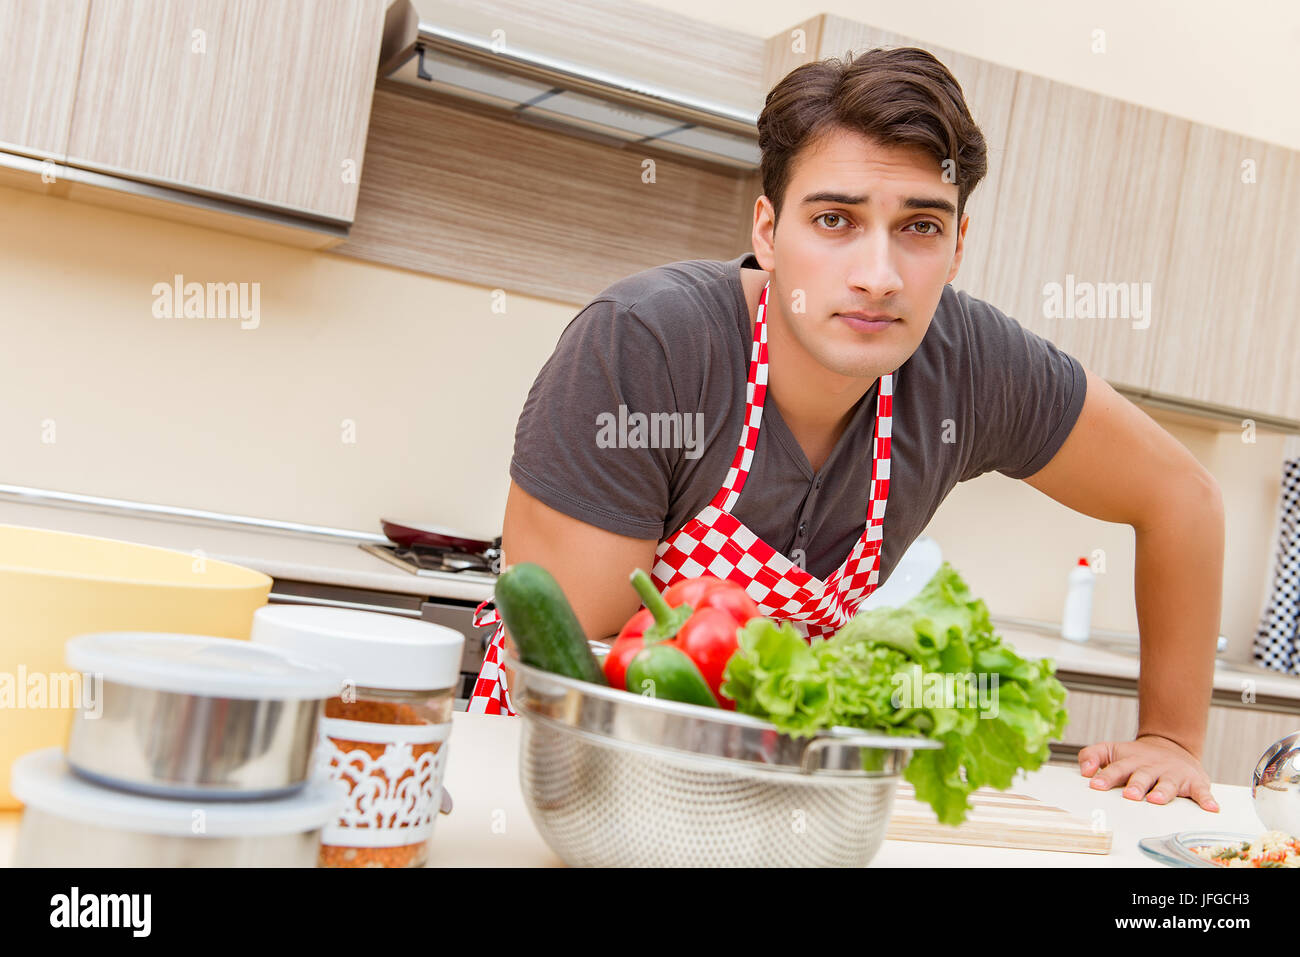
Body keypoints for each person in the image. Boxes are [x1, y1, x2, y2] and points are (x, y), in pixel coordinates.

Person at [470, 47, 1223, 813]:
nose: (879, 274)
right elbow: (574, 684)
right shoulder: (646, 346)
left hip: (763, 801)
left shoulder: (972, 369)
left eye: (920, 226)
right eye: (836, 219)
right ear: (767, 230)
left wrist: (1171, 738)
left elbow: (1182, 498)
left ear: (958, 246)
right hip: (551, 788)